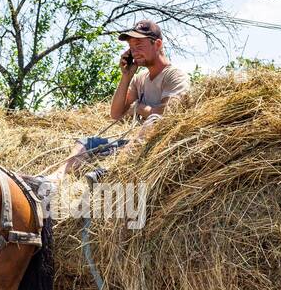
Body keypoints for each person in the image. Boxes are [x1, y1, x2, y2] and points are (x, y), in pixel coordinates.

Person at [60, 19, 190, 177]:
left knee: (153, 120)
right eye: (131, 47)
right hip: (135, 145)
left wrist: (140, 108)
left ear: (157, 44)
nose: (134, 52)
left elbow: (169, 113)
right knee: (86, 143)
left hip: (159, 147)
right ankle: (54, 179)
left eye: (139, 45)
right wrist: (126, 76)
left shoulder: (174, 75)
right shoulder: (140, 78)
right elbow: (116, 113)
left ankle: (112, 172)